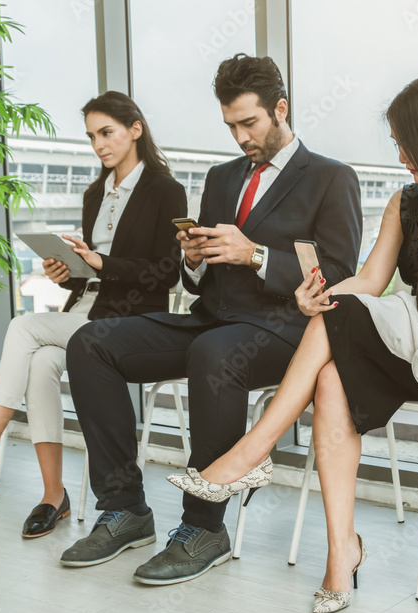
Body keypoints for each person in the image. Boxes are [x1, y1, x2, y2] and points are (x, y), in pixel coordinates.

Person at [168, 75, 418, 613]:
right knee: (333, 370)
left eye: (407, 142)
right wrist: (318, 292)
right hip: (416, 342)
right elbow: (368, 282)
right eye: (396, 143)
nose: (402, 155)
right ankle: (343, 552)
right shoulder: (404, 203)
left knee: (340, 332)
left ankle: (250, 452)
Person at [59, 54, 363, 584]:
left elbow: (337, 276)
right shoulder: (222, 178)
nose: (241, 136)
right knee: (91, 343)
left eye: (250, 123)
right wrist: (194, 261)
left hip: (285, 333)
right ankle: (125, 507)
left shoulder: (331, 178)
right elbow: (198, 277)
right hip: (212, 320)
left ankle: (205, 528)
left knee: (214, 353)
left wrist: (259, 255)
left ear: (280, 109)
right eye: (231, 126)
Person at [0, 92, 186, 540]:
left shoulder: (165, 190)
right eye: (92, 136)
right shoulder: (97, 194)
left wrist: (100, 264)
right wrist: (68, 273)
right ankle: (54, 494)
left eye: (106, 132)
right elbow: (88, 278)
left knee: (23, 326)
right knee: (38, 363)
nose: (98, 144)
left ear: (135, 129)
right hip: (85, 311)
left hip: (128, 324)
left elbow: (167, 274)